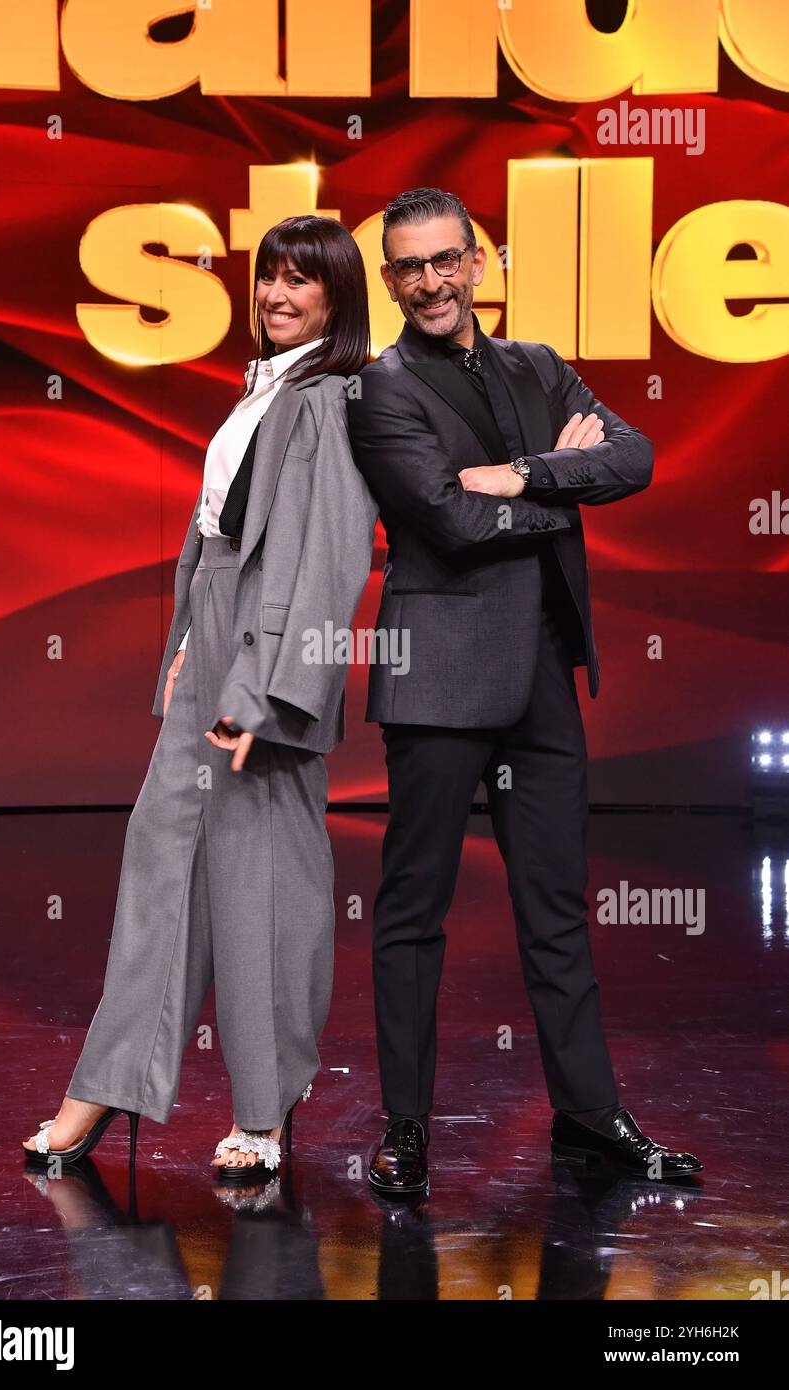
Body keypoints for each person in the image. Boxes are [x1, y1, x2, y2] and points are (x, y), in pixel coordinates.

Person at [346, 187, 703, 1193]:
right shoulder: (383, 389)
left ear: (477, 260)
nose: (427, 281)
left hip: (543, 674)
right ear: (388, 282)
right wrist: (553, 484)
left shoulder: (536, 365)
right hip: (439, 680)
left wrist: (513, 475)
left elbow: (631, 457)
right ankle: (405, 1131)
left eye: (442, 260)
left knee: (555, 905)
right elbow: (449, 524)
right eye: (406, 267)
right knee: (412, 911)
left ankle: (588, 1115)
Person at [22, 215, 378, 1182]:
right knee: (160, 864)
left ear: (339, 298)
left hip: (266, 657)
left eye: (302, 281)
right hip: (214, 638)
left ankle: (263, 1112)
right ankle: (104, 1085)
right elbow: (215, 538)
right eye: (269, 276)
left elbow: (330, 563)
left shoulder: (332, 399)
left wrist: (264, 690)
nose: (276, 295)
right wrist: (186, 645)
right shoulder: (262, 390)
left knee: (260, 886)